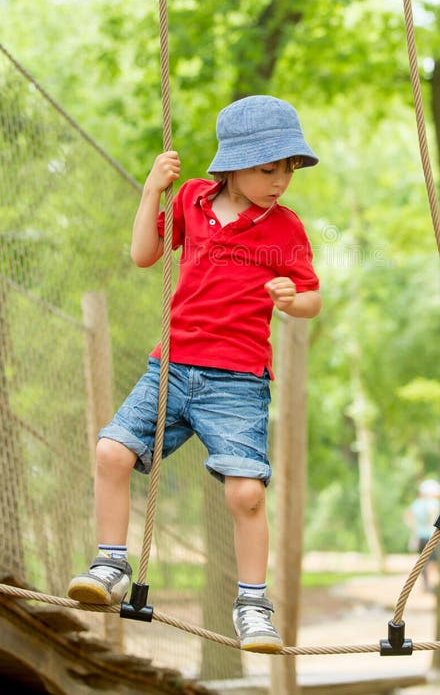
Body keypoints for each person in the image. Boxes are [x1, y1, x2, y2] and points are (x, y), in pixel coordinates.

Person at [67, 95, 322, 653]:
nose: (281, 180)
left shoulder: (285, 228)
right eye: (268, 168)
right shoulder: (191, 200)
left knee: (247, 493)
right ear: (232, 164)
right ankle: (110, 563)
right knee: (111, 452)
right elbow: (143, 254)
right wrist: (151, 190)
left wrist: (290, 297)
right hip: (173, 366)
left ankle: (253, 603)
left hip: (237, 381)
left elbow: (311, 299)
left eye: (288, 169)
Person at [404, 478, 440, 592]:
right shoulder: (433, 503)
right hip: (431, 536)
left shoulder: (417, 503)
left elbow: (407, 515)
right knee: (433, 561)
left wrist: (414, 528)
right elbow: (433, 517)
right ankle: (433, 584)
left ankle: (426, 584)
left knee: (423, 561)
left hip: (419, 536)